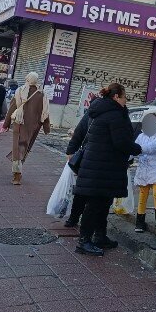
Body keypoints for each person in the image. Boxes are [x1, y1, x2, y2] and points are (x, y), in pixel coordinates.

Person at [72, 83, 142, 256]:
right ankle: (84, 241)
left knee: (103, 203)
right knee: (95, 205)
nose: (126, 101)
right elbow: (121, 142)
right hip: (102, 167)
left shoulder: (102, 110)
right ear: (116, 97)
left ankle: (99, 236)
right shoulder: (114, 114)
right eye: (125, 97)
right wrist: (138, 149)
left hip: (100, 165)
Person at [2, 72, 51, 185]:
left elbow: (12, 107)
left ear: (27, 78)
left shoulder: (20, 91)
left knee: (17, 148)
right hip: (34, 126)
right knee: (25, 147)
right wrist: (46, 128)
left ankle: (17, 174)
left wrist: (6, 124)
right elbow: (46, 112)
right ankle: (18, 168)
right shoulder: (42, 94)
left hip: (20, 123)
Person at [63, 94, 98, 228]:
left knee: (81, 190)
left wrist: (70, 151)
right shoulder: (97, 115)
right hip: (92, 159)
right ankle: (77, 219)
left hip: (86, 158)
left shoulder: (91, 114)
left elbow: (78, 133)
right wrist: (70, 151)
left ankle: (73, 219)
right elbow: (79, 133)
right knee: (87, 192)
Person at [134, 113, 156, 232]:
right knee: (142, 195)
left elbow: (153, 147)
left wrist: (138, 149)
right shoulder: (141, 136)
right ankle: (139, 221)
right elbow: (134, 149)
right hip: (144, 169)